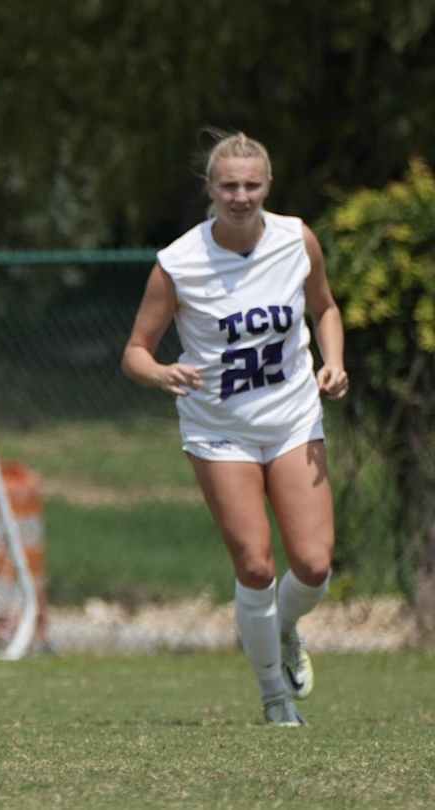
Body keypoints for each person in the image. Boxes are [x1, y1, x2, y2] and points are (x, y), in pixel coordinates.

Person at [121, 131, 348, 727]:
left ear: (267, 186)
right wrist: (162, 373)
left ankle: (285, 626)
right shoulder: (178, 262)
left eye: (251, 184)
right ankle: (274, 695)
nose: (241, 196)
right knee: (254, 565)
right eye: (229, 185)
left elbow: (323, 307)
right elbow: (136, 351)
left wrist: (335, 361)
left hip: (293, 417)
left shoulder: (297, 239)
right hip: (220, 429)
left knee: (315, 565)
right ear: (210, 189)